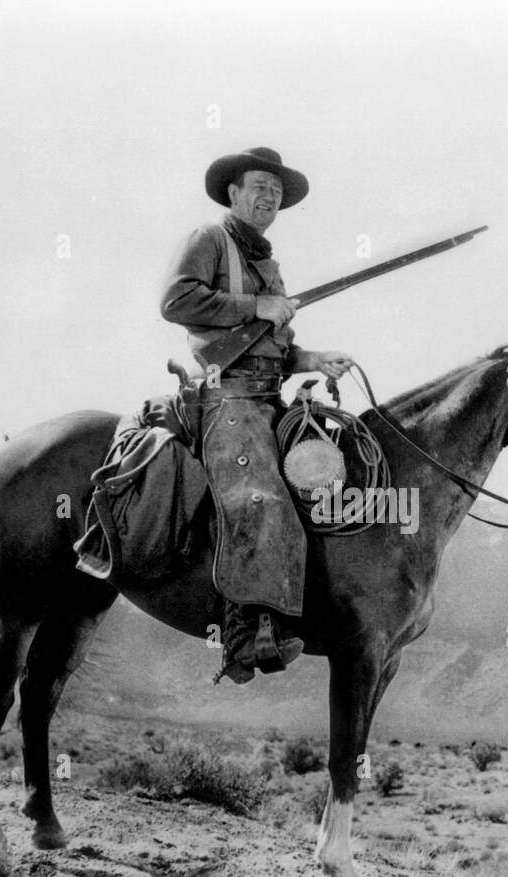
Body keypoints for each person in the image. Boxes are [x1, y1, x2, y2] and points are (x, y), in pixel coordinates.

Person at [161, 147, 355, 684]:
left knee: (328, 477)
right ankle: (244, 634)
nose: (269, 197)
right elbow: (175, 301)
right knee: (260, 496)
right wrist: (255, 308)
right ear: (234, 193)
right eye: (260, 186)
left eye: (276, 190)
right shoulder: (209, 240)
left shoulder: (267, 263)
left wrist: (313, 360)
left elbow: (270, 347)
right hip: (227, 401)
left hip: (269, 398)